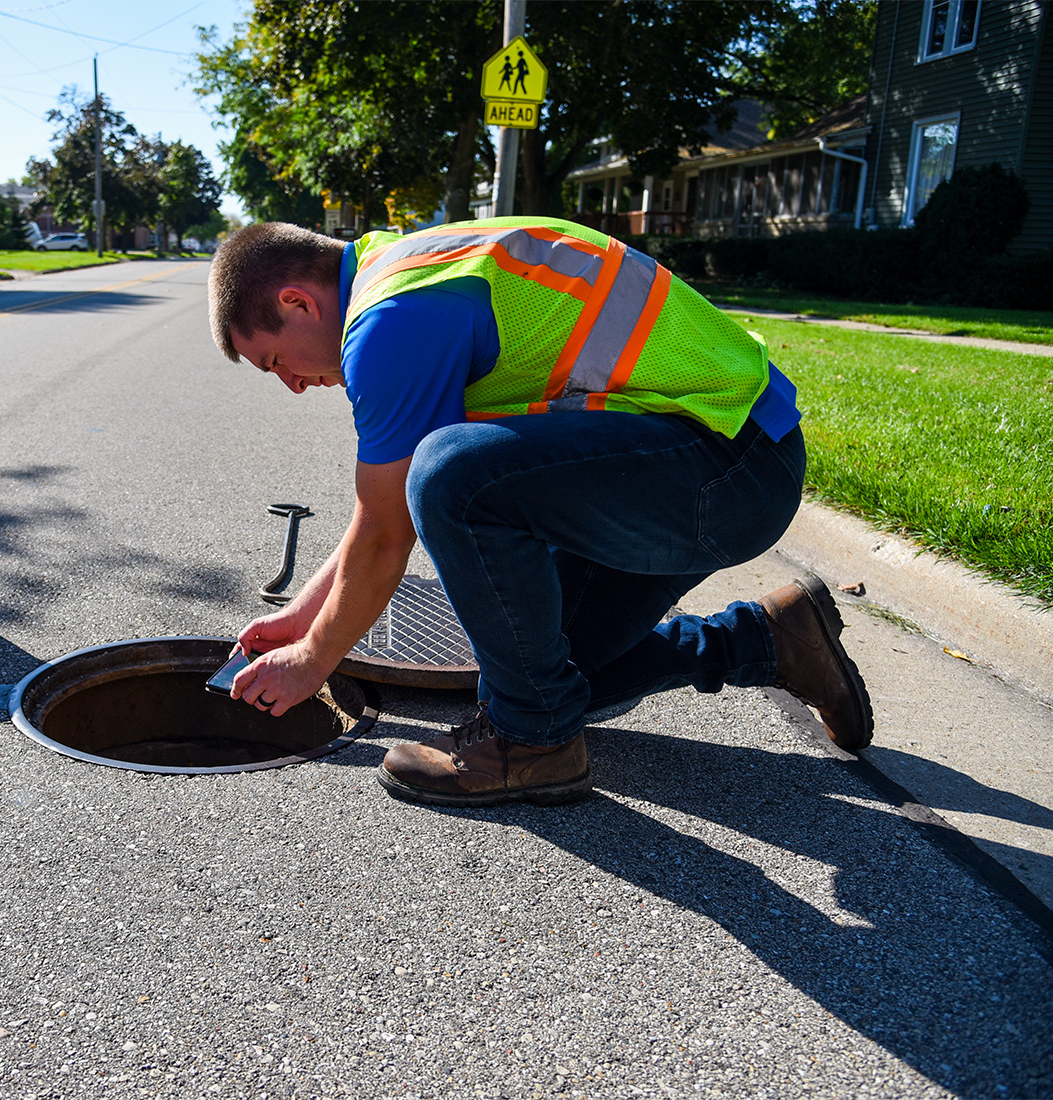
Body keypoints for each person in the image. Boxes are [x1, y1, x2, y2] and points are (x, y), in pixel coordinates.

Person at [206, 217, 873, 808]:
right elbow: (376, 518)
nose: (293, 384)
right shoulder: (398, 268)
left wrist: (312, 659)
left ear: (298, 301)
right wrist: (299, 621)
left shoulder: (388, 324)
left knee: (449, 475)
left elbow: (387, 534)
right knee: (540, 664)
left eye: (276, 361)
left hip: (729, 470)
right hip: (716, 459)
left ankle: (531, 743)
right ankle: (767, 640)